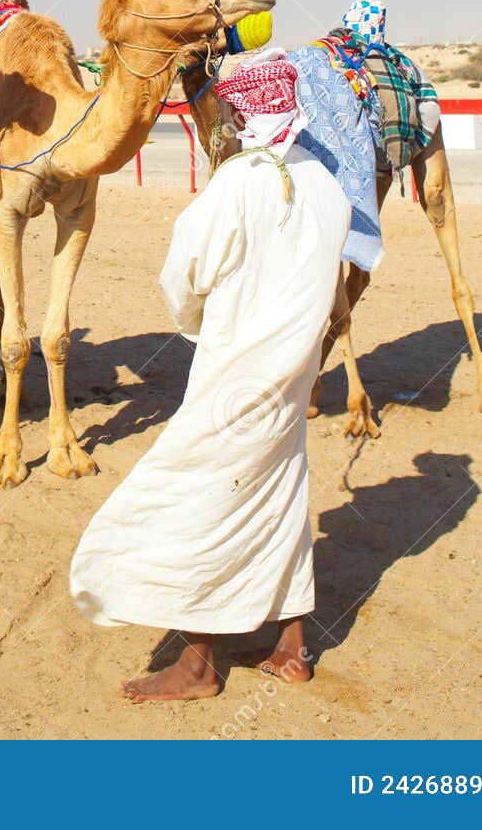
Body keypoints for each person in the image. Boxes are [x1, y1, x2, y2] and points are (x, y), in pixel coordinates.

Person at [69, 50, 350, 702]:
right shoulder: (328, 184)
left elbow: (183, 280)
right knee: (279, 490)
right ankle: (289, 647)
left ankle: (198, 665)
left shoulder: (235, 184)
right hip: (291, 376)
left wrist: (201, 324)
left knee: (198, 496)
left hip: (232, 377)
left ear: (241, 111)